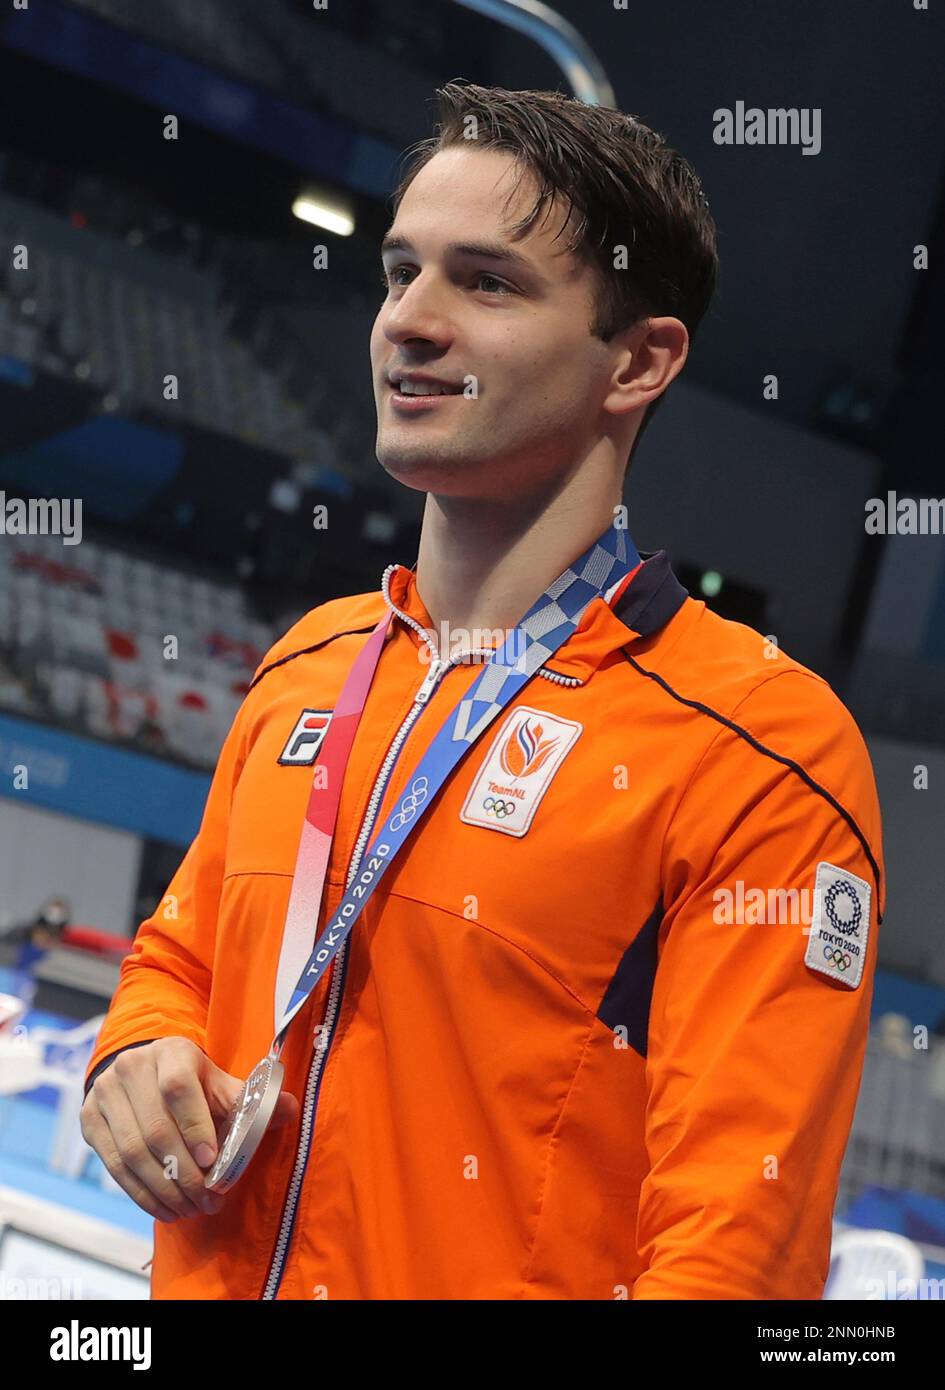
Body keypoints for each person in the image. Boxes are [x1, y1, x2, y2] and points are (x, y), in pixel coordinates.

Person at [80, 81, 885, 1300]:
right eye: (402, 271)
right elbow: (180, 959)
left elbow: (737, 1253)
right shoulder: (313, 663)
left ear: (640, 361)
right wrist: (138, 1049)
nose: (410, 319)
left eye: (487, 281)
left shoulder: (759, 749)